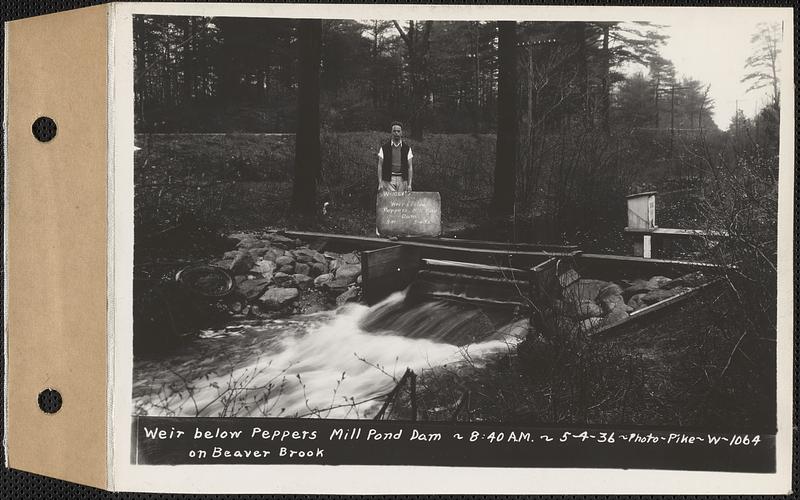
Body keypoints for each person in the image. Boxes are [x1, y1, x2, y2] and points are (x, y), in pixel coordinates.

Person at [377, 121, 413, 192]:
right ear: (391, 132)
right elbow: (380, 166)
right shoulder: (384, 148)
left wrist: (409, 185)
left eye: (398, 131)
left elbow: (410, 167)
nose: (396, 133)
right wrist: (380, 183)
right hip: (388, 180)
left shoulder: (407, 149)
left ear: (401, 132)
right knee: (389, 202)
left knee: (402, 202)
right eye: (394, 131)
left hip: (402, 180)